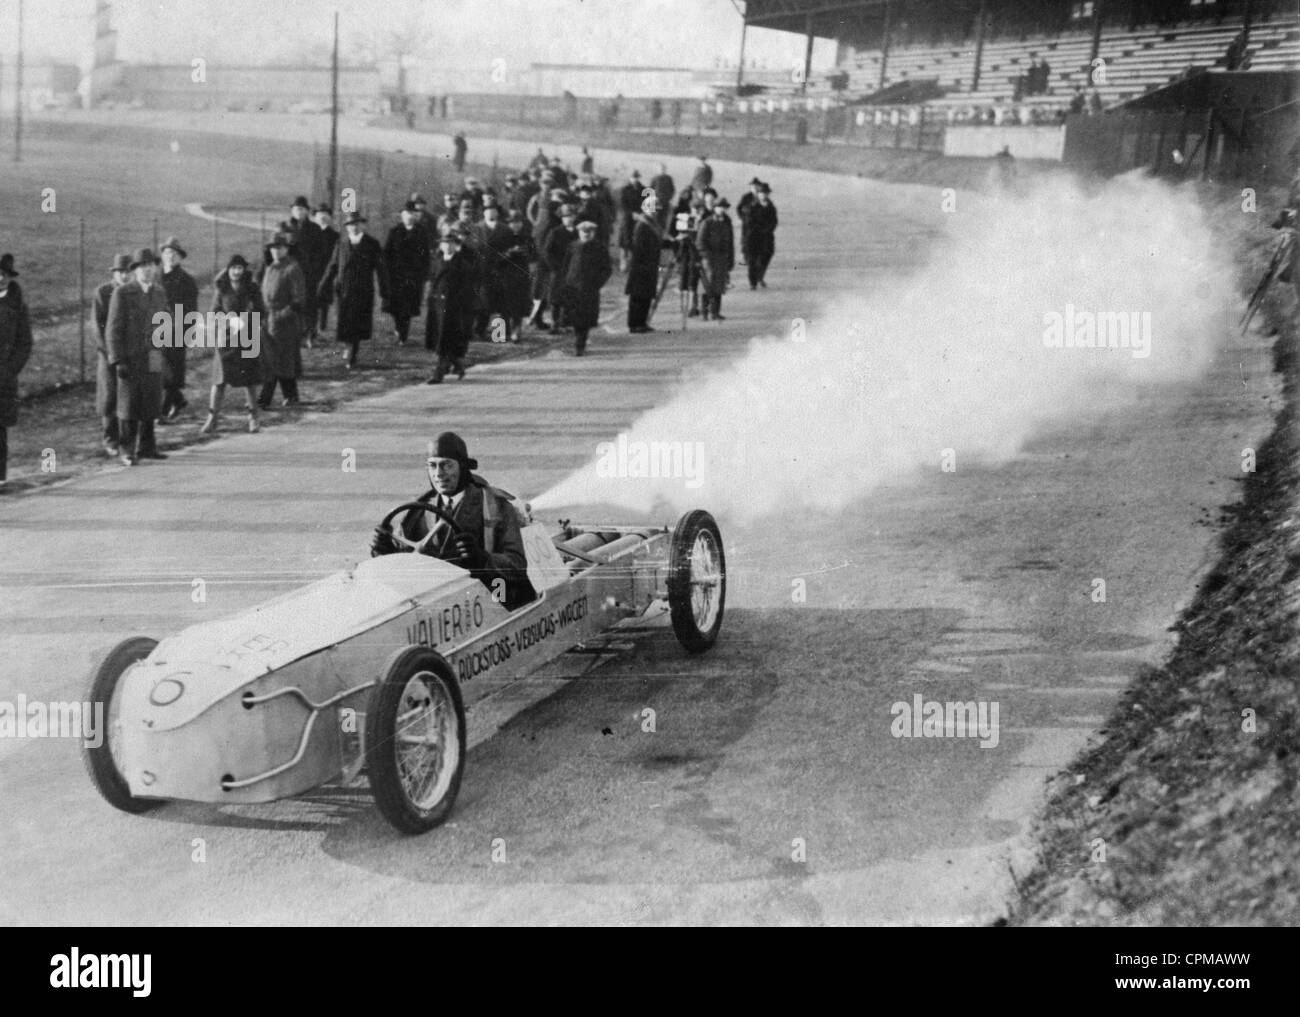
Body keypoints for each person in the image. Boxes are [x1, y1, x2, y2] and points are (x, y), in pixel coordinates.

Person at [370, 432, 535, 610]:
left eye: (447, 465)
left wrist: (482, 558)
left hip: (489, 602)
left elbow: (517, 564)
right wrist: (384, 550)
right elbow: (405, 560)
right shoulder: (417, 512)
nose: (438, 474)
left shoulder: (495, 506)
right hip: (435, 605)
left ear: (463, 467)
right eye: (432, 466)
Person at [106, 248, 169, 465]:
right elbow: (113, 329)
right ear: (134, 270)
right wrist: (118, 359)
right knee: (129, 404)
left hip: (154, 354)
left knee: (152, 399)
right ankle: (127, 449)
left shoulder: (159, 292)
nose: (147, 270)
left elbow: (166, 319)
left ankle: (148, 447)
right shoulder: (123, 293)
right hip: (131, 357)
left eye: (150, 265)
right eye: (142, 266)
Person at [201, 254, 266, 435]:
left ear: (244, 270)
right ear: (228, 270)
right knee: (219, 380)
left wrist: (247, 319)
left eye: (239, 268)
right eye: (233, 268)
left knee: (249, 380)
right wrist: (228, 321)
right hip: (226, 339)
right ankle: (212, 418)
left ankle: (253, 418)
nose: (236, 272)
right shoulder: (222, 288)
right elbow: (215, 311)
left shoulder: (252, 288)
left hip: (247, 337)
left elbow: (261, 310)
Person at [319, 211, 388, 370]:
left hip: (362, 291)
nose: (354, 227)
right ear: (347, 227)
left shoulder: (372, 244)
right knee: (345, 322)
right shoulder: (341, 243)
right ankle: (348, 347)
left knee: (356, 323)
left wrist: (385, 291)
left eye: (357, 224)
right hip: (343, 290)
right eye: (351, 225)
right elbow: (332, 266)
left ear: (363, 225)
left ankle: (352, 353)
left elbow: (381, 269)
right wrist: (323, 285)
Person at [258, 232, 307, 408]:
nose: (276, 251)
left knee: (277, 361)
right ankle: (291, 395)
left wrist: (280, 315)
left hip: (286, 323)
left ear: (286, 249)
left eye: (279, 248)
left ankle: (264, 399)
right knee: (279, 361)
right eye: (273, 248)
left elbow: (298, 300)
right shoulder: (270, 268)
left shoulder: (292, 269)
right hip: (268, 321)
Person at [92, 253, 131, 456]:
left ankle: (127, 440)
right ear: (114, 273)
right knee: (109, 397)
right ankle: (110, 439)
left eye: (128, 271)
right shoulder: (103, 292)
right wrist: (109, 352)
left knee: (127, 397)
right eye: (120, 271)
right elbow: (97, 326)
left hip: (129, 353)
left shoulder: (134, 292)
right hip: (108, 353)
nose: (124, 275)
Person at [156, 236, 198, 423]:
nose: (170, 256)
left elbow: (191, 310)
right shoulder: (155, 277)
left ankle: (163, 411)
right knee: (157, 369)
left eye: (174, 253)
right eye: (167, 252)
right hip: (156, 330)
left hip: (177, 331)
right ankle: (178, 401)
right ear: (162, 255)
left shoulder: (186, 280)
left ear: (180, 257)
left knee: (172, 373)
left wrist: (188, 332)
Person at [0, 253, 33, 485]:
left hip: (3, 376)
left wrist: (9, 370)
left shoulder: (18, 306)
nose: (0, 279)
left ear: (10, 278)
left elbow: (25, 343)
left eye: (4, 275)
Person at [557, 220, 612, 356]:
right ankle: (578, 339)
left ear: (593, 233)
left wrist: (597, 283)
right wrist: (564, 282)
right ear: (579, 233)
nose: (586, 234)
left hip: (590, 288)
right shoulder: (572, 246)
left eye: (589, 232)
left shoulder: (599, 247)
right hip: (573, 287)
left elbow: (606, 269)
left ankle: (580, 344)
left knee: (586, 318)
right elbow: (565, 266)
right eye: (583, 232)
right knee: (575, 317)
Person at [425, 228, 472, 384]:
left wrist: (460, 303)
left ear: (455, 246)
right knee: (441, 336)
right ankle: (457, 365)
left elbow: (466, 287)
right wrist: (430, 298)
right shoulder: (437, 261)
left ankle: (439, 373)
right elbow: (432, 281)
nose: (447, 246)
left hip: (453, 306)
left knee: (445, 337)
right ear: (440, 245)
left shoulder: (462, 264)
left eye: (450, 243)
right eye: (444, 243)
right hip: (437, 304)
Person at [384, 200, 432, 346]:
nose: (409, 216)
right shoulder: (394, 231)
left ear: (416, 215)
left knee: (408, 307)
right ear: (402, 215)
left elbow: (425, 255)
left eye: (412, 213)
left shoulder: (422, 232)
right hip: (396, 276)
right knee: (395, 306)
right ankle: (399, 328)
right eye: (406, 213)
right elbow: (386, 254)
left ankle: (402, 334)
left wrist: (424, 274)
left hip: (413, 276)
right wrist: (387, 271)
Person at [494, 210, 536, 342]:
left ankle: (516, 331)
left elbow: (534, 255)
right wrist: (509, 253)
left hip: (521, 275)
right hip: (505, 275)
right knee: (503, 305)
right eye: (512, 223)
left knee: (519, 306)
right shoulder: (501, 238)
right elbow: (495, 257)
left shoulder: (527, 238)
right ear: (508, 224)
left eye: (518, 222)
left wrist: (526, 253)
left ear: (522, 224)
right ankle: (500, 333)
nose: (515, 225)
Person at [625, 194, 665, 333]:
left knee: (647, 294)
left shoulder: (652, 224)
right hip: (641, 265)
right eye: (653, 209)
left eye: (656, 210)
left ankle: (642, 322)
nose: (655, 212)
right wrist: (641, 265)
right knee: (638, 295)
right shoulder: (642, 225)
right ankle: (634, 324)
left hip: (650, 265)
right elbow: (638, 248)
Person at [696, 197, 734, 321]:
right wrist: (706, 256)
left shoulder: (726, 223)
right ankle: (704, 312)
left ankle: (715, 312)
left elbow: (730, 244)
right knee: (707, 285)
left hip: (721, 258)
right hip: (709, 259)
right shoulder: (707, 223)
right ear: (715, 208)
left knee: (719, 285)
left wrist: (730, 259)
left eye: (724, 207)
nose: (722, 210)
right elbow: (700, 243)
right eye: (719, 207)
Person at [543, 204, 580, 333]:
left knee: (570, 297)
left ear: (575, 217)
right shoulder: (555, 232)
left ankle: (566, 323)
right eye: (565, 217)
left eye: (570, 216)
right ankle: (554, 323)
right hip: (558, 270)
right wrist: (554, 267)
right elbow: (547, 251)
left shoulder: (578, 232)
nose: (568, 219)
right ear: (562, 218)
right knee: (556, 298)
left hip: (573, 271)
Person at [668, 188, 703, 317]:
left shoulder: (698, 215)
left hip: (695, 250)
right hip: (682, 250)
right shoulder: (679, 213)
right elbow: (672, 233)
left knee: (694, 278)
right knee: (684, 278)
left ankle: (693, 306)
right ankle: (684, 306)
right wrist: (678, 239)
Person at [745, 182, 778, 289]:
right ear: (758, 194)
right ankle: (753, 283)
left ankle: (760, 276)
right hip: (753, 237)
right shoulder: (752, 206)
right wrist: (758, 229)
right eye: (761, 193)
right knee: (752, 260)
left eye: (765, 193)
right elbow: (749, 221)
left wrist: (768, 229)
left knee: (766, 256)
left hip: (767, 236)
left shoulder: (771, 207)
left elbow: (774, 221)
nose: (763, 195)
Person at [312, 204, 339, 333]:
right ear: (315, 217)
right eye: (319, 214)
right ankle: (312, 327)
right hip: (312, 270)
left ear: (330, 217)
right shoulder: (311, 233)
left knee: (324, 297)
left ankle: (322, 325)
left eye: (325, 214)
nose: (322, 217)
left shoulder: (335, 236)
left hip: (327, 270)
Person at [616, 170, 644, 273]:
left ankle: (634, 263)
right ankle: (623, 262)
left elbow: (647, 204)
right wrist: (631, 213)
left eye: (636, 177)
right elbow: (622, 204)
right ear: (630, 178)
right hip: (627, 218)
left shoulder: (644, 189)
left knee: (637, 240)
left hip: (640, 218)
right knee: (625, 239)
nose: (634, 180)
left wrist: (641, 214)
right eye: (633, 178)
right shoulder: (625, 189)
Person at [736, 177, 762, 265]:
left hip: (758, 224)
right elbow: (739, 208)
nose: (754, 188)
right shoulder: (746, 197)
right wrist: (742, 217)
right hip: (747, 223)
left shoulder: (762, 196)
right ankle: (746, 259)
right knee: (746, 241)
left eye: (756, 186)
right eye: (753, 186)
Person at [648, 163, 675, 227]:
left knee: (665, 218)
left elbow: (672, 189)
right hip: (657, 201)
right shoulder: (654, 179)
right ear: (658, 170)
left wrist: (669, 198)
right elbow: (650, 190)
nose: (662, 170)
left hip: (666, 201)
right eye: (660, 169)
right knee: (656, 217)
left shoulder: (668, 178)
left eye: (663, 169)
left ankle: (663, 231)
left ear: (665, 170)